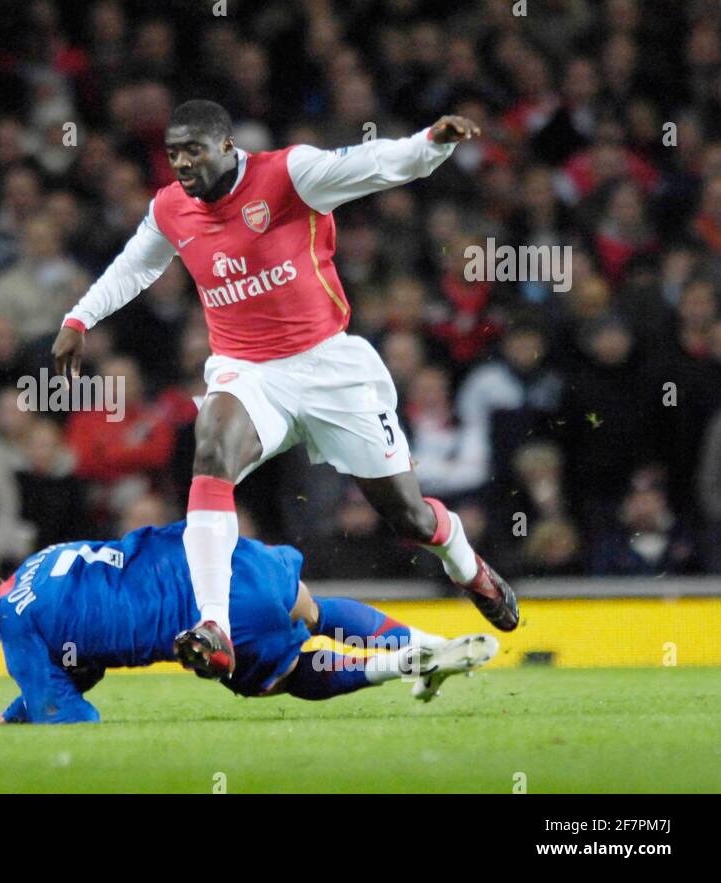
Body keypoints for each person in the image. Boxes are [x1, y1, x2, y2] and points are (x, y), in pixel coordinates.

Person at [51, 99, 518, 681]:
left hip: (328, 366)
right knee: (212, 449)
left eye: (193, 150)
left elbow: (375, 164)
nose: (182, 164)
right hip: (248, 372)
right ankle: (214, 626)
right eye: (173, 154)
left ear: (226, 146)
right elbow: (133, 267)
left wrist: (432, 142)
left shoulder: (288, 174)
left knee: (410, 520)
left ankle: (467, 565)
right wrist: (79, 319)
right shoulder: (171, 208)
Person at [0, 521, 499, 724]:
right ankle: (430, 646)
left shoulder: (15, 628)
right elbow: (82, 662)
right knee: (313, 609)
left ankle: (401, 664)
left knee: (283, 674)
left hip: (214, 617)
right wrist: (26, 703)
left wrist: (12, 721)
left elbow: (73, 715)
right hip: (218, 552)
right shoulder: (41, 559)